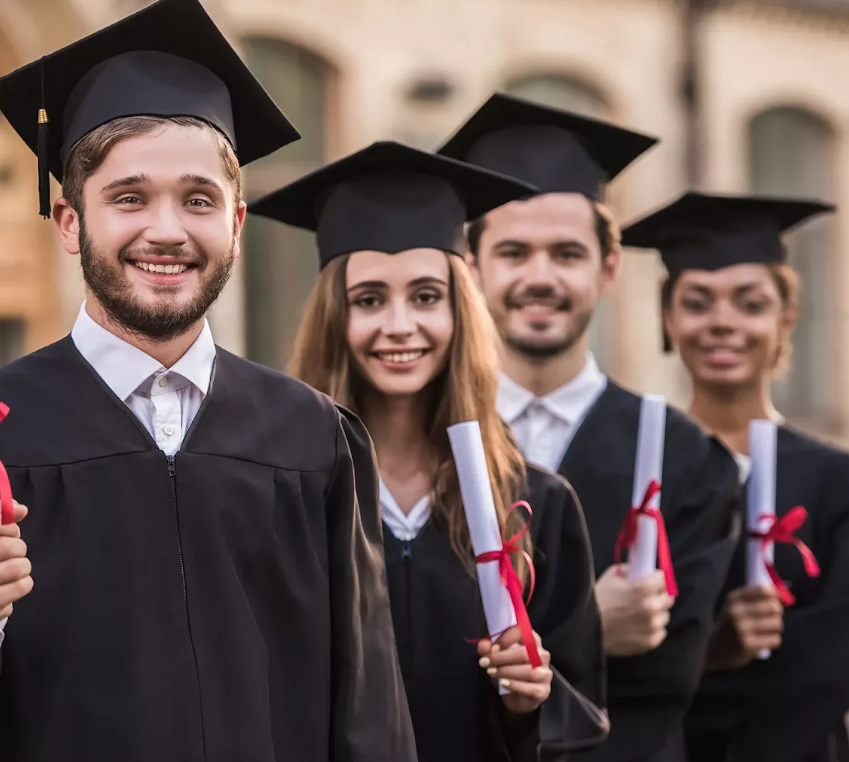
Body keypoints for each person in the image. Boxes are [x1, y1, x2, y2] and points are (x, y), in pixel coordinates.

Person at [0, 0, 415, 762]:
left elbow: (370, 717)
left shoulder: (315, 440)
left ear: (236, 223)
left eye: (198, 200)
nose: (166, 230)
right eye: (129, 198)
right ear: (71, 222)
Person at [248, 140, 609, 762]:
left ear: (457, 311)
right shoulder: (286, 498)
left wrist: (528, 702)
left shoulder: (534, 503)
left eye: (425, 296)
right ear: (336, 316)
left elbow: (579, 711)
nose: (399, 325)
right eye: (368, 300)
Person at [440, 93, 741, 762]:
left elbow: (667, 674)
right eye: (514, 252)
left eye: (566, 254)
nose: (539, 277)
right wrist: (591, 626)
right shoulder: (424, 448)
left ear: (607, 268)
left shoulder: (688, 461)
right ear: (471, 268)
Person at [621, 192, 849, 762]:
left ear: (785, 320)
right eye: (697, 303)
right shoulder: (635, 479)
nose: (722, 322)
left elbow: (831, 675)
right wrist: (711, 653)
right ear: (668, 321)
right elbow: (616, 675)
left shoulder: (843, 486)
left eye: (750, 303)